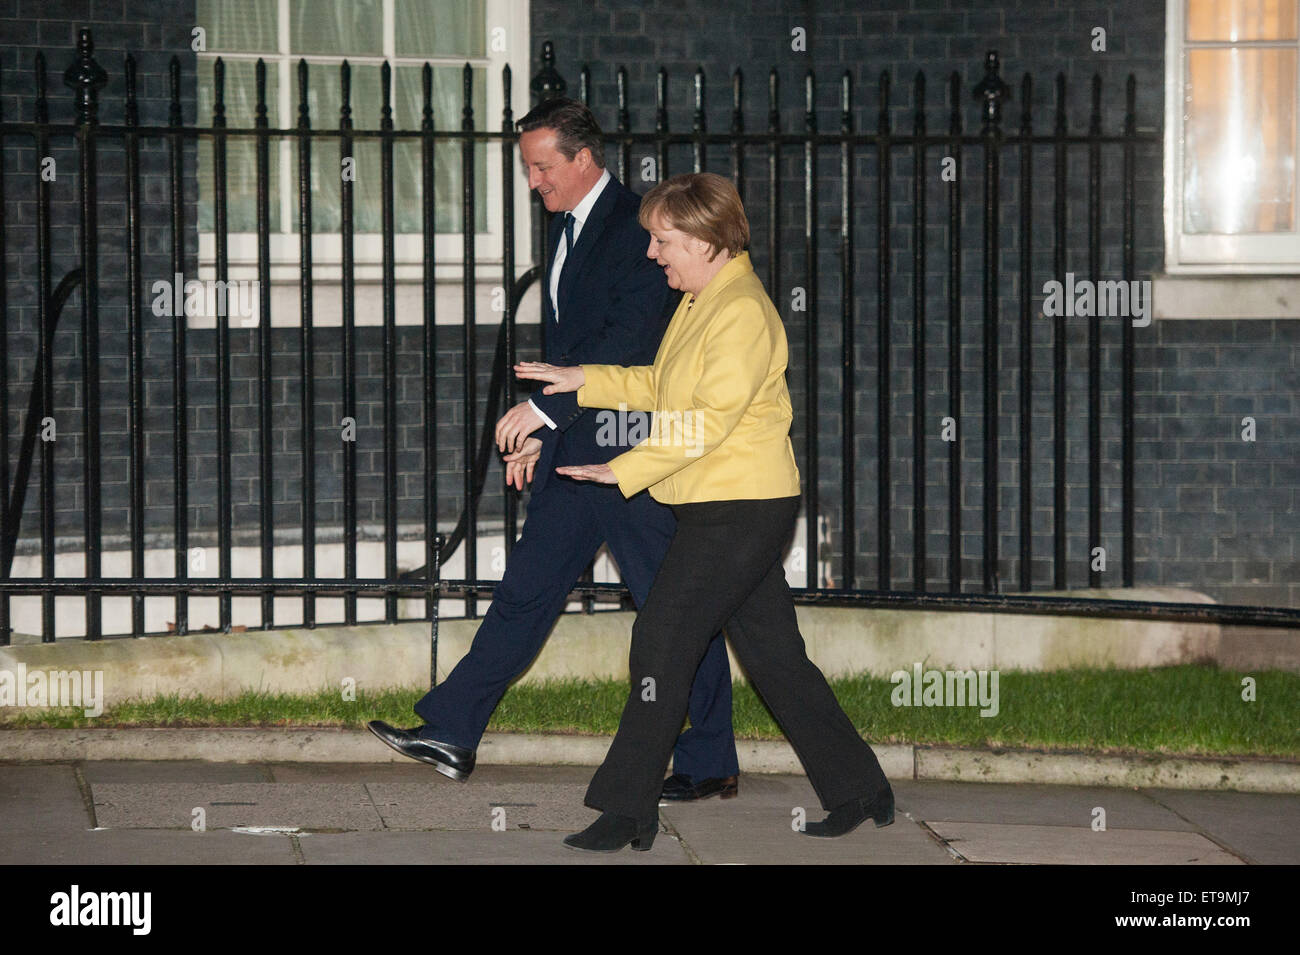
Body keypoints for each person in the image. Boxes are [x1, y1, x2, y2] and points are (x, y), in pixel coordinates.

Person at [367, 100, 740, 800]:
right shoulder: (567, 225)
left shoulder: (639, 226)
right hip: (579, 450)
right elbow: (576, 347)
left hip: (632, 453)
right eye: (528, 168)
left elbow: (629, 340)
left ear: (582, 159)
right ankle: (451, 729)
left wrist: (539, 411)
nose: (534, 181)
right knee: (526, 590)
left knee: (673, 607)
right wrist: (547, 430)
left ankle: (710, 757)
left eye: (543, 167)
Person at [516, 171, 894, 852]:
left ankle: (627, 809)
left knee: (663, 639)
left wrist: (622, 469)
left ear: (705, 238)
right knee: (777, 658)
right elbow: (665, 386)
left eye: (663, 240)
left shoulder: (742, 311)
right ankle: (862, 788)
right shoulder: (704, 298)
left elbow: (708, 420)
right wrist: (584, 379)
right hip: (725, 505)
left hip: (741, 509)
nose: (653, 253)